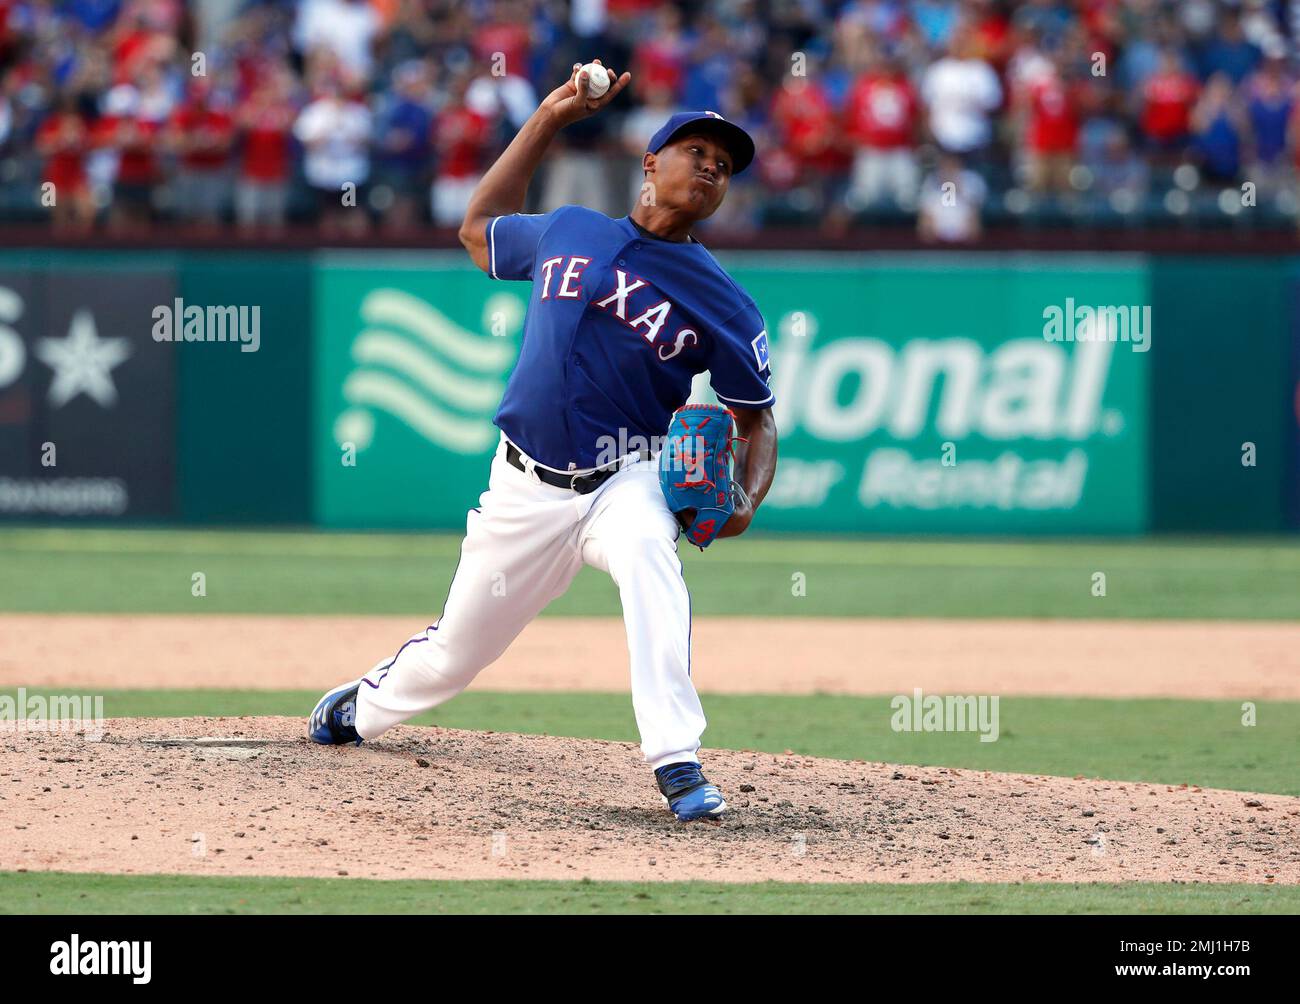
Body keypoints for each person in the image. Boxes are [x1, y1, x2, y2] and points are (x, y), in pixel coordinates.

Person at [308, 60, 779, 824]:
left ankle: (677, 759)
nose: (712, 171)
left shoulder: (725, 301)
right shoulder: (569, 229)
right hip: (522, 491)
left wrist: (748, 500)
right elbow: (476, 230)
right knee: (456, 654)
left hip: (625, 477)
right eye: (698, 155)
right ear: (651, 163)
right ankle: (363, 708)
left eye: (724, 169)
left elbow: (756, 416)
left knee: (648, 558)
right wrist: (550, 118)